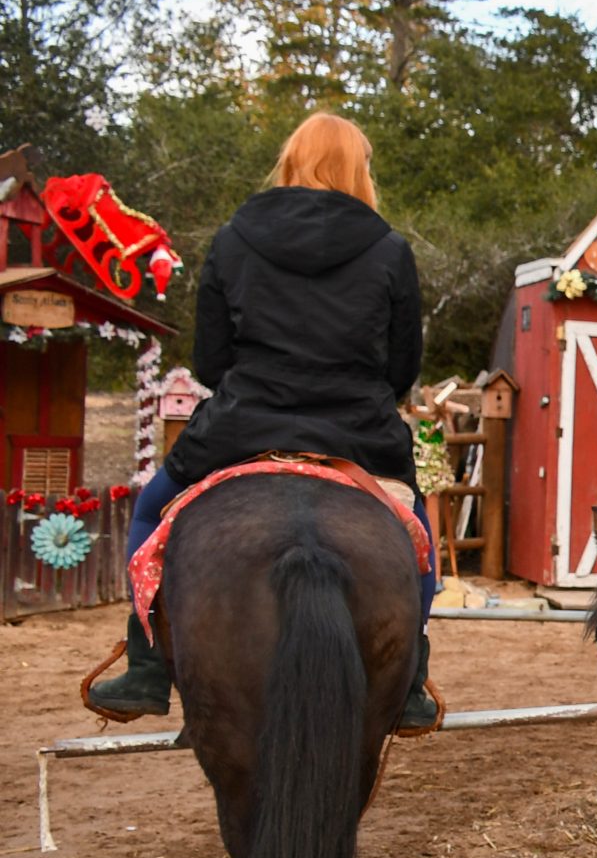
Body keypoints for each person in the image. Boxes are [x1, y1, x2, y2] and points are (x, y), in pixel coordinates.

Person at [89, 112, 438, 728]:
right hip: (357, 431)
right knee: (417, 535)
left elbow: (211, 360)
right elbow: (401, 368)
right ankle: (410, 678)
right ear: (357, 169)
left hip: (242, 424)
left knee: (149, 512)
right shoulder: (389, 249)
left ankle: (145, 667)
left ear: (291, 160)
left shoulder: (234, 238)